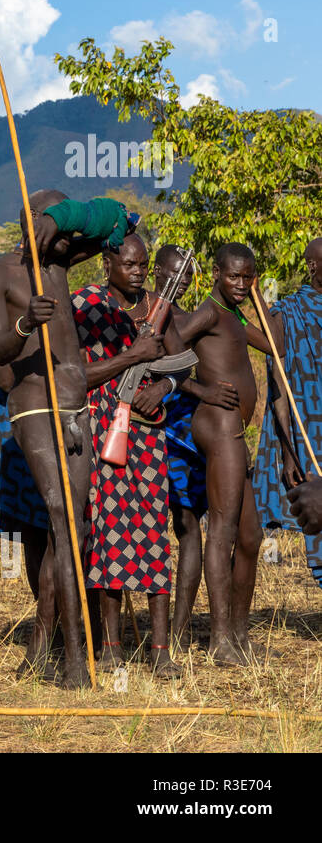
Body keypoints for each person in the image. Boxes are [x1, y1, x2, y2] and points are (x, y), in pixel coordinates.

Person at [0, 191, 132, 687]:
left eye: (61, 227)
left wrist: (64, 218)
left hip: (74, 402)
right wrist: (27, 322)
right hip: (32, 401)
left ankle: (42, 643)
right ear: (26, 225)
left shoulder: (63, 260)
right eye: (46, 224)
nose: (62, 237)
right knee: (63, 514)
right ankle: (73, 660)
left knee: (75, 527)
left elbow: (120, 223)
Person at [72, 235, 178, 676]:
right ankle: (112, 647)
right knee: (109, 533)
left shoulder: (157, 306)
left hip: (149, 434)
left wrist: (163, 385)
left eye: (143, 264)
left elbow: (183, 364)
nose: (137, 271)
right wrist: (131, 358)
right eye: (130, 263)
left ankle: (160, 651)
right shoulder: (85, 304)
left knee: (154, 532)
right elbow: (75, 374)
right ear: (108, 261)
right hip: (102, 426)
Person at [176, 243, 270, 665]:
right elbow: (162, 350)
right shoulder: (209, 312)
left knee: (251, 536)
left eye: (248, 277)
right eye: (234, 276)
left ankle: (239, 632)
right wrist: (200, 389)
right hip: (217, 425)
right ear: (216, 273)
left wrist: (256, 297)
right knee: (224, 530)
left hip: (236, 431)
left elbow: (277, 344)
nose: (241, 283)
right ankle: (219, 640)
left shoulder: (233, 314)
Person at [151, 245, 213, 651]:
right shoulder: (138, 311)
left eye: (186, 278)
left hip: (183, 433)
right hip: (143, 428)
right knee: (146, 529)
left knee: (188, 525)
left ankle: (178, 633)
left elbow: (180, 364)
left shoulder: (183, 319)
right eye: (173, 275)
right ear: (156, 271)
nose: (179, 283)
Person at [252, 237, 322, 590]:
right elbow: (276, 367)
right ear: (311, 266)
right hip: (310, 428)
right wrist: (287, 446)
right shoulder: (289, 311)